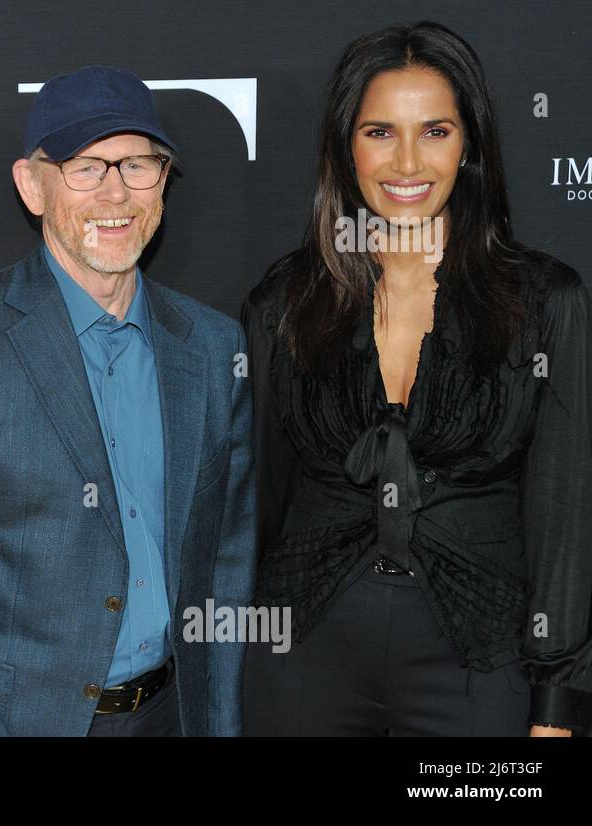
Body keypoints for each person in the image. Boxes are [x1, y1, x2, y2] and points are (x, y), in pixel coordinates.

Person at [0, 65, 255, 736]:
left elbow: (227, 561)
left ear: (163, 180)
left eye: (137, 164)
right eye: (86, 167)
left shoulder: (213, 347)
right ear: (32, 184)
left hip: (170, 718)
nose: (117, 193)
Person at [241, 21, 592, 736]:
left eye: (434, 131)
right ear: (346, 146)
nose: (407, 161)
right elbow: (261, 502)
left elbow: (564, 513)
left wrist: (557, 702)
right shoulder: (284, 302)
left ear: (470, 146)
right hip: (306, 650)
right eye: (379, 132)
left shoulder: (545, 301)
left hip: (478, 660)